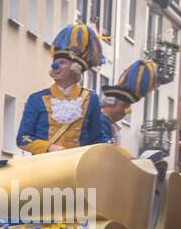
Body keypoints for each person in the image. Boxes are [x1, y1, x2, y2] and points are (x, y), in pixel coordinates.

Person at [16, 22, 112, 153]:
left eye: (62, 63)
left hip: (76, 168)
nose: (55, 66)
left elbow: (97, 138)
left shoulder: (91, 99)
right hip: (44, 167)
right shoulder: (36, 99)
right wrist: (49, 147)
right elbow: (23, 138)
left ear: (75, 68)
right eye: (54, 63)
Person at [100, 58, 158, 140]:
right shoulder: (100, 122)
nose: (127, 111)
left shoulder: (108, 124)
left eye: (128, 107)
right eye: (124, 106)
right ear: (110, 101)